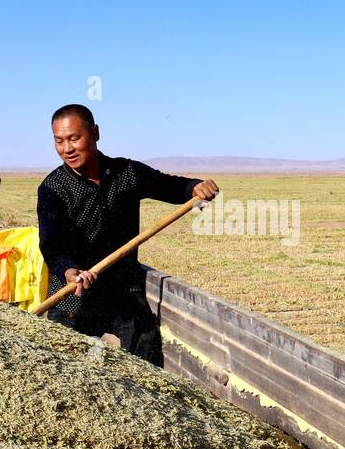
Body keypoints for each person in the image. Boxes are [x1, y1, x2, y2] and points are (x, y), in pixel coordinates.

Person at [36, 104, 218, 366]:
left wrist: (194, 187)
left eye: (74, 138)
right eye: (59, 141)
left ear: (95, 133)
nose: (67, 149)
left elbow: (167, 185)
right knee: (68, 370)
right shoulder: (53, 188)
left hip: (123, 288)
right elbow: (52, 243)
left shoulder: (127, 173)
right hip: (74, 294)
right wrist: (69, 270)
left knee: (147, 356)